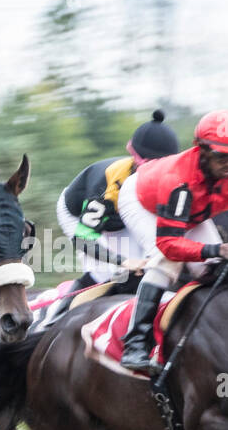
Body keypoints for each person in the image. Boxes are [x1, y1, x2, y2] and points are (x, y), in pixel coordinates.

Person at [114, 109, 228, 374]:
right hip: (141, 200)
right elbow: (169, 245)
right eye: (222, 156)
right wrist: (218, 248)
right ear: (201, 149)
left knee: (217, 268)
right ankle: (135, 342)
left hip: (192, 209)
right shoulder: (178, 180)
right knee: (167, 263)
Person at [53, 109, 179, 304]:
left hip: (120, 217)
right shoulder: (108, 188)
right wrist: (122, 261)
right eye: (151, 166)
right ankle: (53, 320)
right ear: (135, 157)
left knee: (144, 270)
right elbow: (83, 239)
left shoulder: (174, 179)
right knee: (103, 274)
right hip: (78, 213)